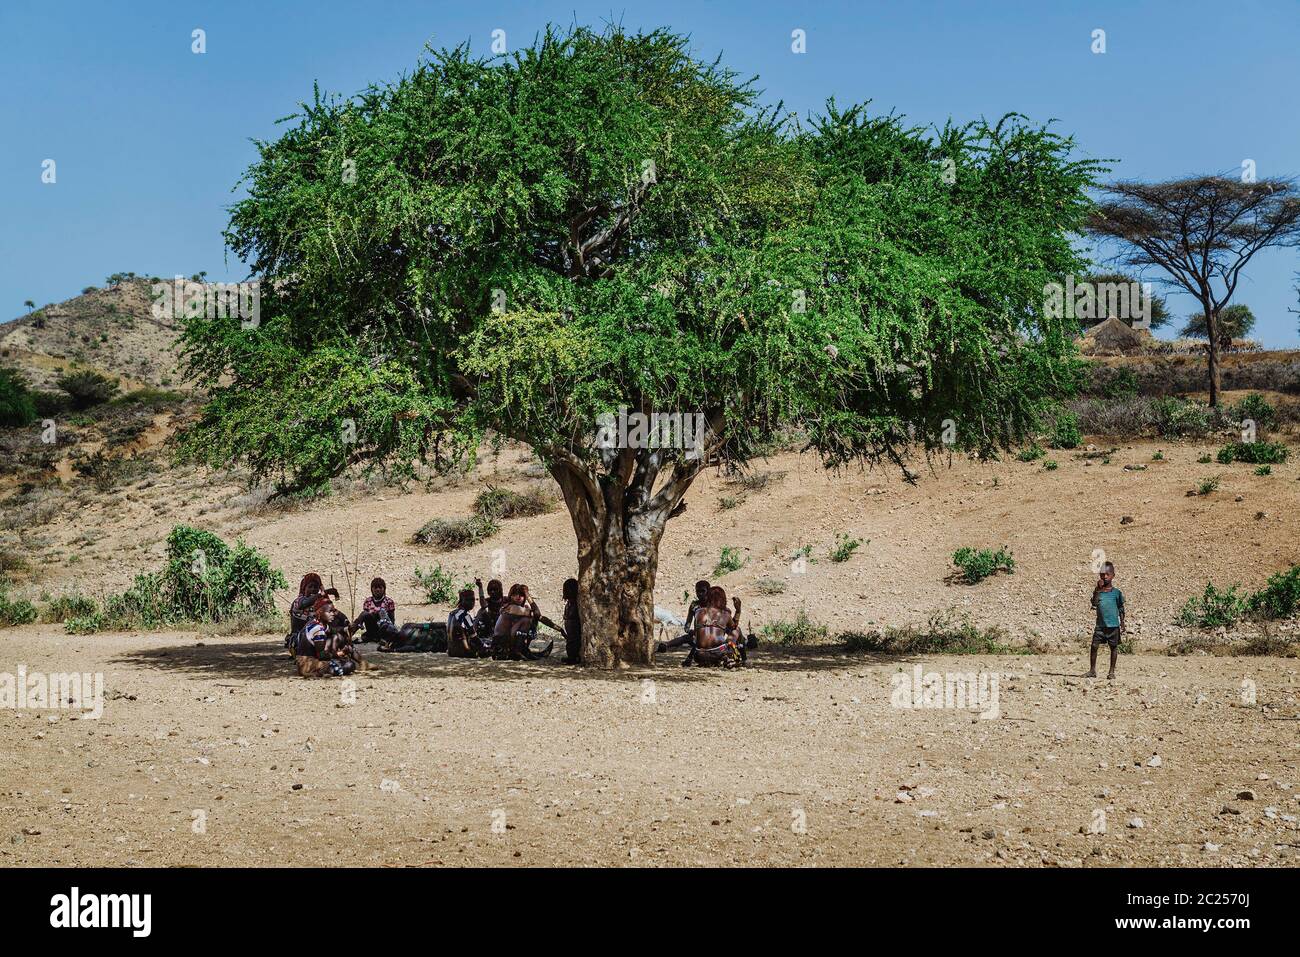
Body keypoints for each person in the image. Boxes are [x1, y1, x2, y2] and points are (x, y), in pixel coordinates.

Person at [1087, 561, 1126, 680]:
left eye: (1107, 574)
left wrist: (1123, 623)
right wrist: (1097, 590)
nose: (1104, 577)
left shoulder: (1117, 593)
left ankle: (1111, 672)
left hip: (1113, 625)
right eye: (1102, 574)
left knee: (1113, 647)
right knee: (1094, 646)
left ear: (1113, 575)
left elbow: (1121, 608)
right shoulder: (1098, 591)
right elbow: (1094, 603)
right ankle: (1092, 670)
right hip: (1100, 625)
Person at [691, 585, 743, 668]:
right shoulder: (725, 614)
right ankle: (737, 658)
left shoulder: (698, 612)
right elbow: (733, 627)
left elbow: (696, 634)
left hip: (699, 655)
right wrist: (738, 611)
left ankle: (709, 662)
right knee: (736, 630)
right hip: (718, 653)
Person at [656, 580, 710, 656]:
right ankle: (666, 645)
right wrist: (690, 631)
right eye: (698, 591)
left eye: (703, 591)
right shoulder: (694, 606)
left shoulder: (714, 604)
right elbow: (687, 626)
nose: (700, 594)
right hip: (698, 638)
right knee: (685, 638)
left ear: (708, 591)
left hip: (712, 637)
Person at [285, 572, 325, 656]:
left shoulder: (319, 603)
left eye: (316, 587)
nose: (313, 589)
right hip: (299, 641)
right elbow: (305, 603)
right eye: (310, 587)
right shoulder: (298, 601)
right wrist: (323, 593)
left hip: (316, 639)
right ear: (304, 588)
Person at [353, 577, 399, 644]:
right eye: (375, 588)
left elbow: (392, 620)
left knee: (382, 612)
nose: (378, 590)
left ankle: (383, 638)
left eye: (380, 587)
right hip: (372, 628)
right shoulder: (368, 601)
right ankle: (351, 631)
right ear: (371, 589)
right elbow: (366, 616)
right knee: (364, 613)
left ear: (384, 589)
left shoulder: (389, 601)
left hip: (384, 629)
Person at [447, 588, 483, 658]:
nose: (471, 602)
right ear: (461, 601)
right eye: (468, 600)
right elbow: (474, 637)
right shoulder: (465, 615)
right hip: (462, 652)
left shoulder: (452, 613)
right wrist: (484, 646)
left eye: (473, 600)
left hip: (450, 651)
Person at [475, 578, 505, 654]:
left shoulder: (505, 600)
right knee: (482, 611)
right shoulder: (488, 601)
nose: (492, 592)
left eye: (495, 590)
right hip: (490, 627)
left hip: (503, 628)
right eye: (491, 590)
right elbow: (483, 605)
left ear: (500, 590)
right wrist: (480, 588)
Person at [559, 578, 581, 664]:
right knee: (570, 642)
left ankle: (573, 658)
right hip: (570, 628)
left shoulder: (576, 603)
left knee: (573, 642)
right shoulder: (570, 603)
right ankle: (571, 657)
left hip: (574, 628)